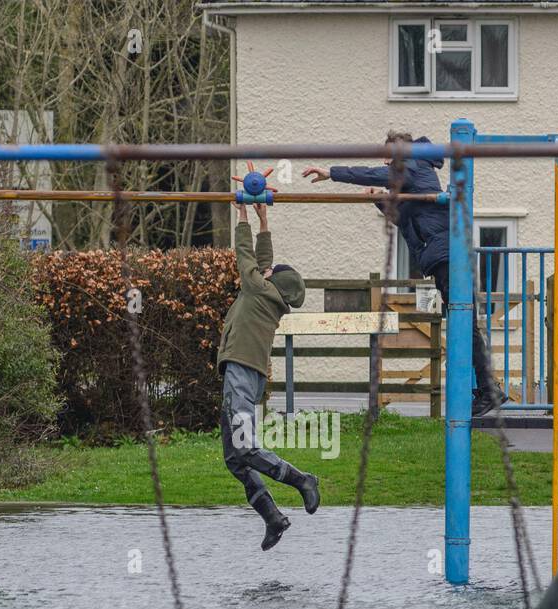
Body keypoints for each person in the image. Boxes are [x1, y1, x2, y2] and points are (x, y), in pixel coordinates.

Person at [302, 131, 505, 416]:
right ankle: (488, 389)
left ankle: (489, 390)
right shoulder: (414, 176)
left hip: (448, 256)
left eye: (387, 156)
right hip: (443, 256)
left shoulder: (414, 165)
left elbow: (379, 175)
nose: (384, 162)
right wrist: (379, 201)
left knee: (465, 325)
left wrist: (331, 172)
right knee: (465, 325)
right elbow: (405, 221)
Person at [216, 199, 320, 550]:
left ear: (273, 281)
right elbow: (260, 261)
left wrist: (242, 213)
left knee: (245, 448)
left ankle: (302, 480)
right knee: (235, 459)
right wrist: (264, 218)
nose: (265, 270)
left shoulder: (258, 289)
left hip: (241, 376)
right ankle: (272, 517)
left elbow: (244, 256)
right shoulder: (270, 295)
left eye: (270, 271)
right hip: (246, 375)